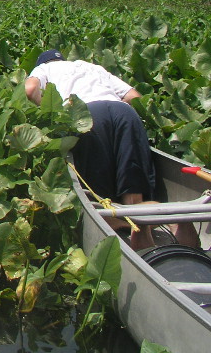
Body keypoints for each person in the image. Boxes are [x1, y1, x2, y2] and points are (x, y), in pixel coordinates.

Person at [25, 49, 198, 250]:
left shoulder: (44, 68)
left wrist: (51, 113)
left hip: (85, 116)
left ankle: (134, 237)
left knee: (99, 202)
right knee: (133, 196)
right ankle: (172, 222)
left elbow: (30, 90)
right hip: (125, 113)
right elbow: (134, 97)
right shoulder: (91, 67)